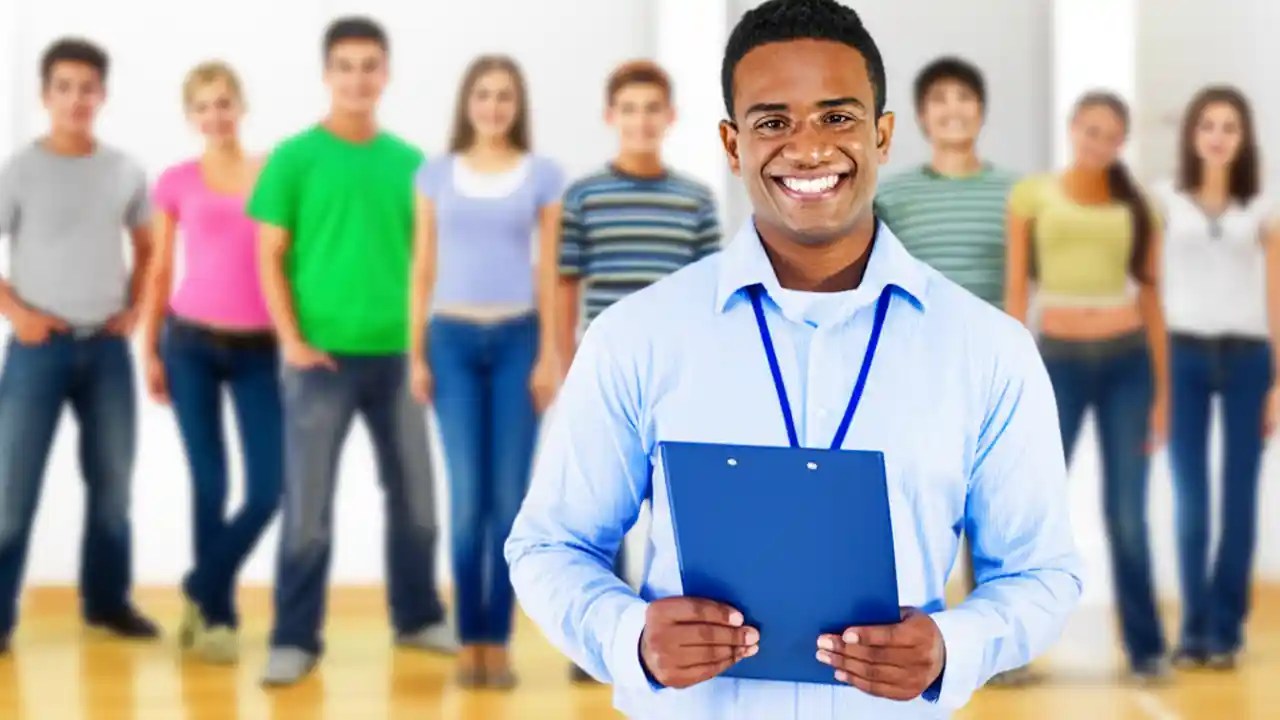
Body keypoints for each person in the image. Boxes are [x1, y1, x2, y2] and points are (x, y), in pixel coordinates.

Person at [506, 1, 1082, 718]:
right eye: (773, 122)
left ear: (882, 134)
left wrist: (952, 645)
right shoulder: (636, 337)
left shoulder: (989, 351)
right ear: (731, 142)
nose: (808, 149)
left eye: (837, 117)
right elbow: (548, 545)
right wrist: (630, 638)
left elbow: (1042, 574)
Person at [250, 17, 453, 687]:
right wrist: (292, 341)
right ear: (327, 74)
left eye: (370, 66)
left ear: (385, 75)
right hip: (320, 361)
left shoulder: (411, 165)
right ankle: (294, 636)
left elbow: (428, 263)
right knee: (307, 510)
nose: (358, 79)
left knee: (417, 501)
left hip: (397, 356)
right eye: (346, 66)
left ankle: (419, 616)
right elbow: (269, 254)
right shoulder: (294, 157)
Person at [556, 59, 722, 684]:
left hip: (681, 374)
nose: (641, 120)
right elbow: (567, 284)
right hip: (606, 374)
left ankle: (677, 629)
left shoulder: (695, 200)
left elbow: (712, 296)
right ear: (610, 117)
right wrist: (561, 359)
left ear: (670, 117)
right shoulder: (585, 197)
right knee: (601, 506)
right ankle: (601, 634)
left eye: (653, 109)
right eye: (629, 109)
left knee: (676, 506)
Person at [874, 55, 1030, 687]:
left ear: (982, 112)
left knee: (994, 504)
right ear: (919, 117)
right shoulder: (894, 193)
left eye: (964, 99)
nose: (953, 111)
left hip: (989, 365)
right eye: (939, 101)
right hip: (913, 364)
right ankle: (916, 629)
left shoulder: (1016, 192)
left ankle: (991, 643)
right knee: (923, 494)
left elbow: (1024, 281)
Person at [0, 38, 160, 655]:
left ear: (102, 95)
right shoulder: (20, 170)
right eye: (63, 87)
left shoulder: (123, 170)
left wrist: (136, 308)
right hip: (38, 350)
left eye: (86, 88)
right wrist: (16, 313)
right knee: (13, 491)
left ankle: (107, 601)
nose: (75, 99)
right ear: (46, 96)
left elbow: (148, 246)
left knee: (113, 486)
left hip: (105, 352)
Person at [408, 55, 564, 689]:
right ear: (466, 103)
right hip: (449, 340)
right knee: (467, 499)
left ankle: (496, 642)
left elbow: (550, 272)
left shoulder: (544, 175)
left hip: (517, 341)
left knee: (508, 504)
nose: (493, 106)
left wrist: (550, 353)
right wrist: (415, 351)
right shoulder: (434, 174)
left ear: (516, 105)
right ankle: (467, 636)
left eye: (504, 96)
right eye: (483, 95)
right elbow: (422, 266)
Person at [1005, 91, 1170, 682]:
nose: (1098, 143)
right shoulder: (1032, 197)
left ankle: (1148, 650)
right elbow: (1018, 291)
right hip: (1059, 361)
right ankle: (1012, 649)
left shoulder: (1140, 205)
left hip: (1129, 363)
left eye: (1109, 135)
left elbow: (1151, 297)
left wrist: (1164, 395)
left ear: (1120, 143)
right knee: (1034, 503)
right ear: (1072, 128)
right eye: (1090, 131)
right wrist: (1015, 377)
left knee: (1127, 513)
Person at [141, 61, 280, 665]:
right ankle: (216, 614)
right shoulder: (176, 180)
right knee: (210, 482)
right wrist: (148, 347)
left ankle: (199, 584)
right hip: (190, 342)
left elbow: (290, 259)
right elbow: (160, 269)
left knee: (268, 488)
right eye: (204, 107)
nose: (215, 116)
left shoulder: (273, 172)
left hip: (260, 349)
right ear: (191, 116)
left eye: (224, 103)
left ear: (240, 106)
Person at [1157, 86, 1279, 671]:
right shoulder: (1166, 201)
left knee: (1239, 498)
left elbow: (1278, 295)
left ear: (1243, 138)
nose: (1217, 135)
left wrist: (1279, 381)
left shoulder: (1261, 206)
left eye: (1230, 125)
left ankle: (1226, 631)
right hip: (1181, 357)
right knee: (1191, 498)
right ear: (1192, 134)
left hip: (1248, 359)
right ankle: (1195, 629)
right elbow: (1150, 290)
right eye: (1207, 123)